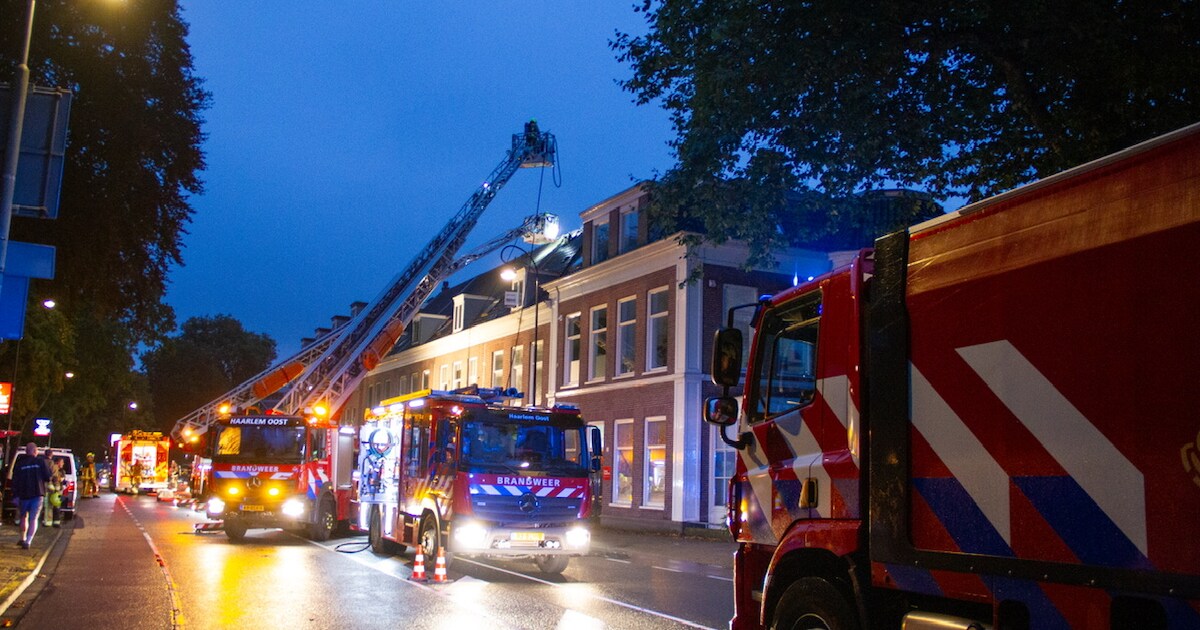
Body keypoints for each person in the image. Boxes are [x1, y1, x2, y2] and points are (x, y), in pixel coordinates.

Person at [9, 442, 51, 549]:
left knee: (23, 517)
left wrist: (15, 495)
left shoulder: (20, 464)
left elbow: (15, 480)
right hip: (37, 494)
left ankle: (22, 538)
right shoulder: (40, 462)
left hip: (23, 495)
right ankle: (28, 541)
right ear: (34, 451)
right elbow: (47, 476)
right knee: (34, 519)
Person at [43, 458, 63, 528]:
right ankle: (54, 522)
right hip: (53, 490)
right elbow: (55, 478)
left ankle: (50, 521)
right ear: (58, 462)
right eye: (62, 462)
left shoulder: (59, 470)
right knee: (53, 506)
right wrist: (57, 487)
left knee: (51, 506)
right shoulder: (55, 468)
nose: (63, 464)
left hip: (53, 490)